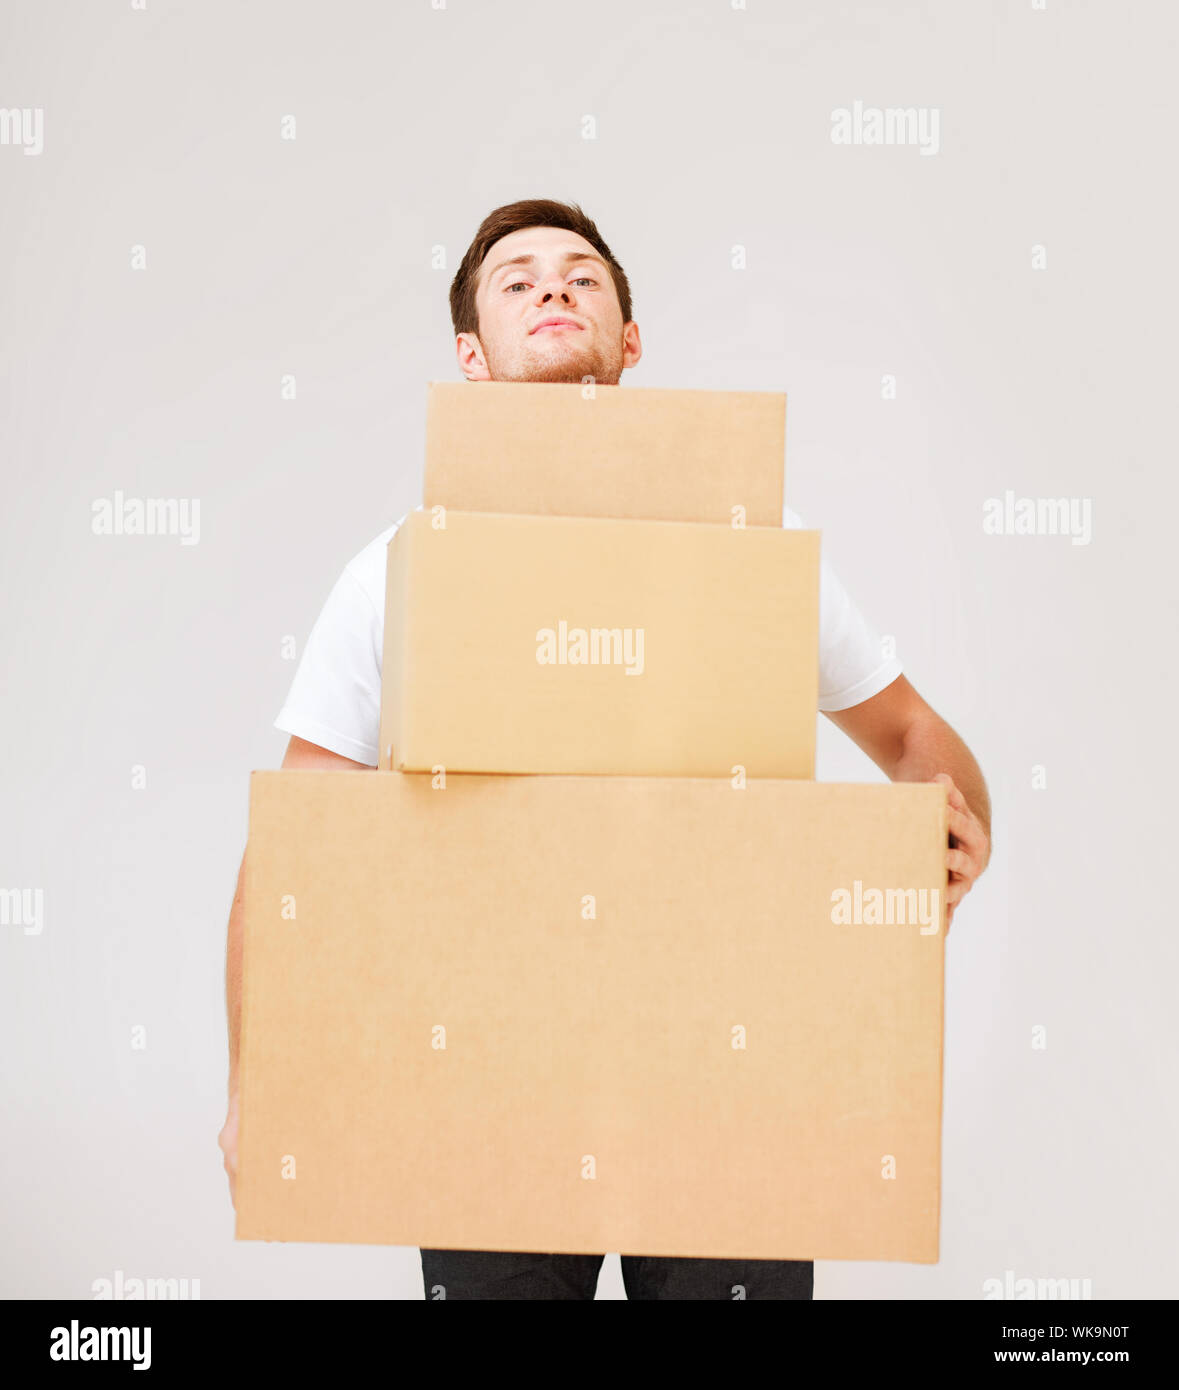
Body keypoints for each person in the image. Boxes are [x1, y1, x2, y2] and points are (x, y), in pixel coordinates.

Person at [218, 198, 992, 1300]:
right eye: (518, 279)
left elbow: (918, 736)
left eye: (583, 277)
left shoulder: (751, 556)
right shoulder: (401, 570)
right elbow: (296, 850)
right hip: (492, 1082)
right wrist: (256, 1080)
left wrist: (957, 823)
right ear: (470, 357)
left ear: (631, 341)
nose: (553, 290)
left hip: (730, 1073)